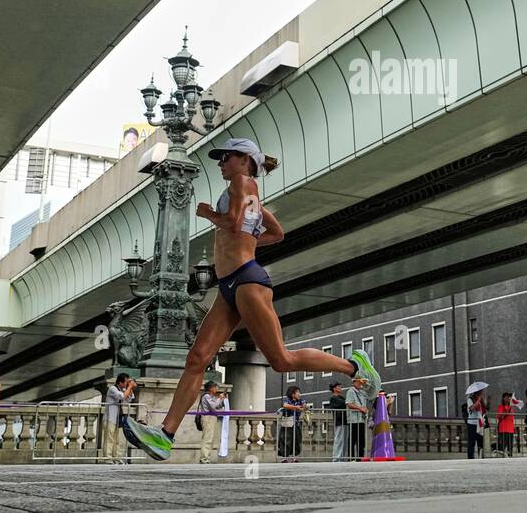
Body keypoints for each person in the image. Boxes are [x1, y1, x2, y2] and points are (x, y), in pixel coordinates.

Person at [122, 138, 380, 460]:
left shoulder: (244, 182)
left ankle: (355, 368)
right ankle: (165, 435)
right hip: (230, 284)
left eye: (225, 157)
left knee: (281, 359)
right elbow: (277, 233)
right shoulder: (248, 192)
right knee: (197, 358)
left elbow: (231, 221)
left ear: (244, 161)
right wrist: (249, 234)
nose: (220, 163)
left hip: (248, 280)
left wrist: (207, 215)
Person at [102, 374, 135, 463]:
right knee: (109, 439)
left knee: (117, 439)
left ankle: (117, 457)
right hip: (110, 418)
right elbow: (122, 397)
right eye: (126, 382)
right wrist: (130, 386)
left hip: (117, 418)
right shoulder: (112, 389)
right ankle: (107, 458)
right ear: (120, 382)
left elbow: (129, 399)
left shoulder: (123, 389)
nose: (126, 384)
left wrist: (130, 388)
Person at [198, 381, 225, 464]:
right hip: (208, 418)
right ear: (211, 388)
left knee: (210, 438)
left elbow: (216, 405)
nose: (216, 389)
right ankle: (204, 458)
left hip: (211, 418)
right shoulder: (206, 396)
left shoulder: (211, 396)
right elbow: (213, 407)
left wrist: (223, 401)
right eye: (215, 387)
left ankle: (206, 457)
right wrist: (219, 398)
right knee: (207, 438)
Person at [278, 385, 306, 462]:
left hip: (296, 423)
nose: (299, 394)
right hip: (287, 423)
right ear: (292, 394)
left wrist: (304, 407)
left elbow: (304, 406)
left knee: (296, 440)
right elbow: (285, 405)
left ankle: (295, 457)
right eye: (297, 392)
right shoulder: (287, 400)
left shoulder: (300, 400)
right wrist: (296, 407)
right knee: (286, 440)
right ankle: (284, 458)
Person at [346, 376, 371, 460]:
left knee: (361, 440)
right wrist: (361, 408)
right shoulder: (351, 391)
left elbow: (370, 391)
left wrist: (365, 383)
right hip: (353, 419)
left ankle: (360, 457)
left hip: (361, 419)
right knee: (353, 439)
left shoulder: (362, 392)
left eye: (361, 382)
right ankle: (351, 458)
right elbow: (349, 404)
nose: (360, 383)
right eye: (358, 382)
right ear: (354, 382)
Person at [327, 382, 348, 462]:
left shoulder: (341, 397)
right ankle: (336, 458)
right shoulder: (333, 398)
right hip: (339, 421)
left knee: (343, 440)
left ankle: (342, 458)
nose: (340, 388)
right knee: (338, 440)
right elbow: (344, 403)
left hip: (345, 421)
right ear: (334, 388)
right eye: (338, 387)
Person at [466, 387, 489, 459]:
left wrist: (487, 402)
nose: (481, 393)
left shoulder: (481, 400)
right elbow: (471, 408)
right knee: (472, 441)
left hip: (479, 423)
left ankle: (481, 456)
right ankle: (470, 457)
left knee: (480, 440)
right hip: (472, 423)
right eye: (480, 392)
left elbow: (485, 409)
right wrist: (478, 400)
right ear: (476, 393)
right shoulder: (470, 399)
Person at [495, 392, 517, 456]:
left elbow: (512, 418)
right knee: (502, 447)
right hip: (503, 429)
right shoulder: (501, 407)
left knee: (510, 447)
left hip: (510, 429)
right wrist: (508, 409)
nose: (509, 398)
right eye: (507, 397)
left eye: (509, 397)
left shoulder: (511, 408)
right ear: (503, 398)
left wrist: (514, 427)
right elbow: (500, 417)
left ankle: (510, 458)